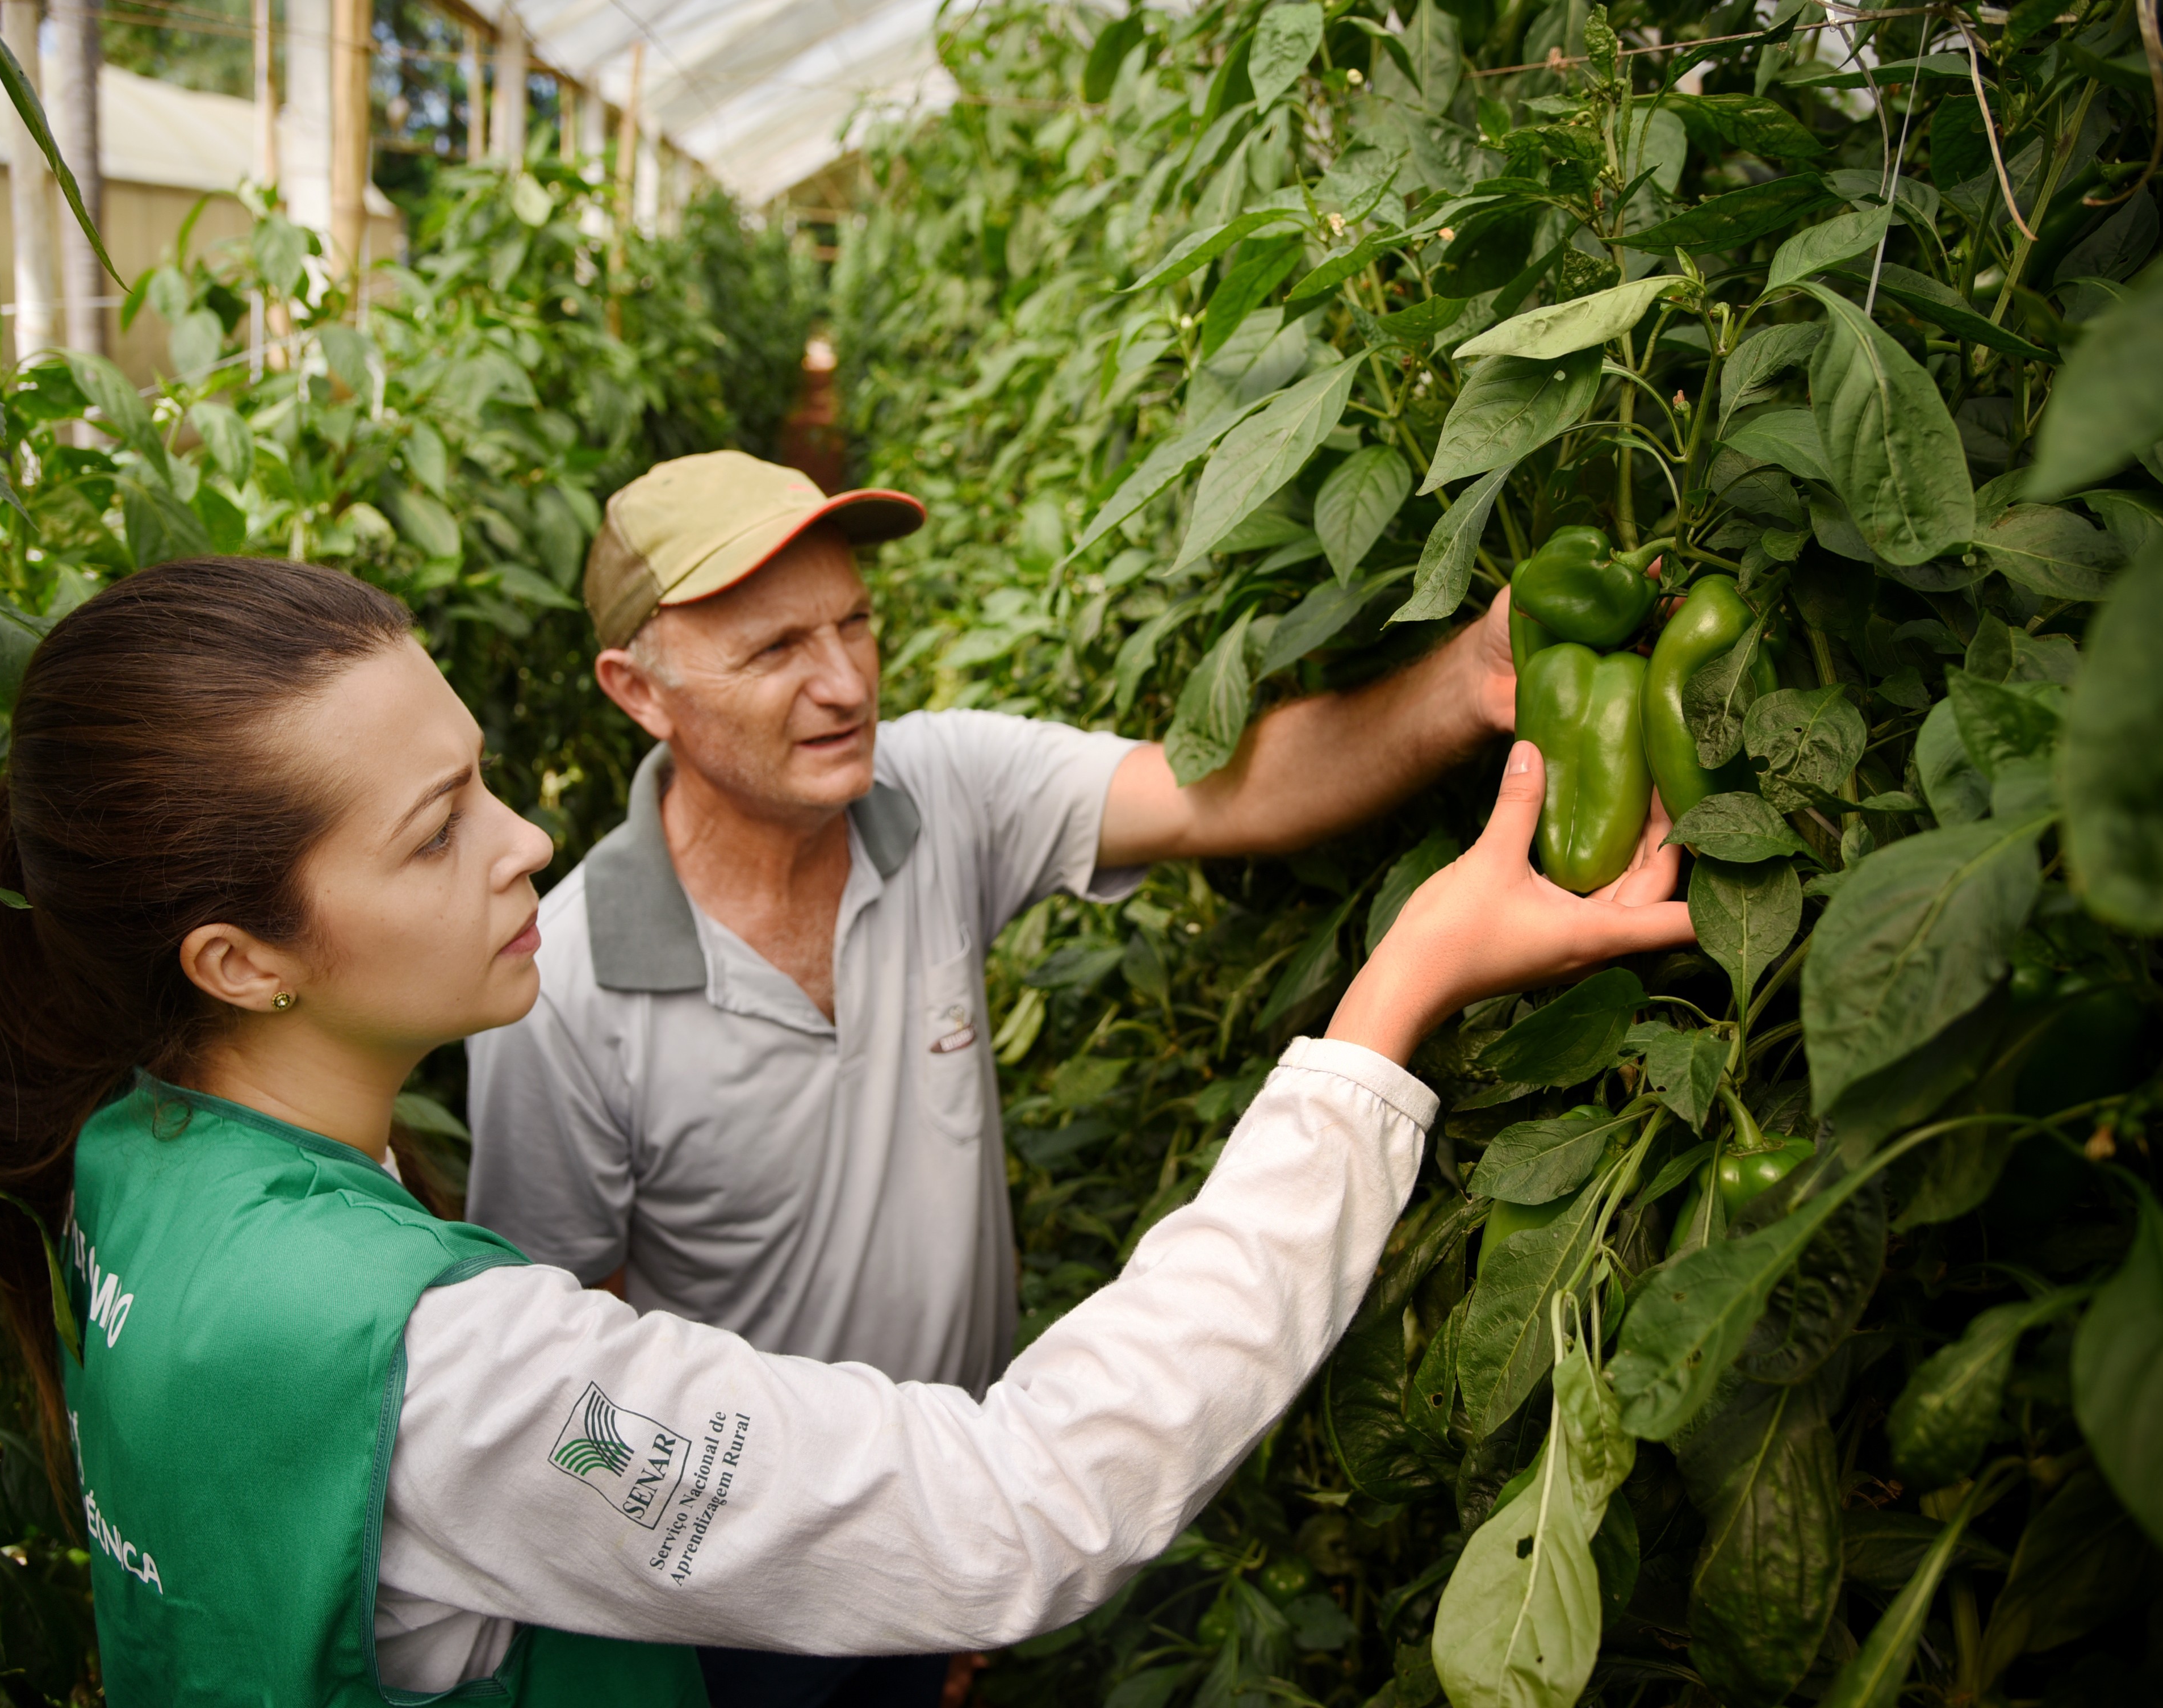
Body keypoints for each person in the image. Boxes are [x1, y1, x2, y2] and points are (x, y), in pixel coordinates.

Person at [0, 556, 1688, 1706]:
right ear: (234, 959)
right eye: (432, 832)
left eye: (480, 777)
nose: (528, 837)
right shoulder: (452, 1374)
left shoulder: (138, 1156)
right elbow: (1021, 1507)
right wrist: (1396, 1000)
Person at [465, 449, 1529, 1704]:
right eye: (774, 651)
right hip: (733, 1595)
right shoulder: (569, 985)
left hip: (968, 1509)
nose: (845, 681)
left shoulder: (939, 791)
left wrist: (1465, 679)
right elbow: (568, 1360)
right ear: (639, 690)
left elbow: (1219, 794)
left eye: (856, 620)